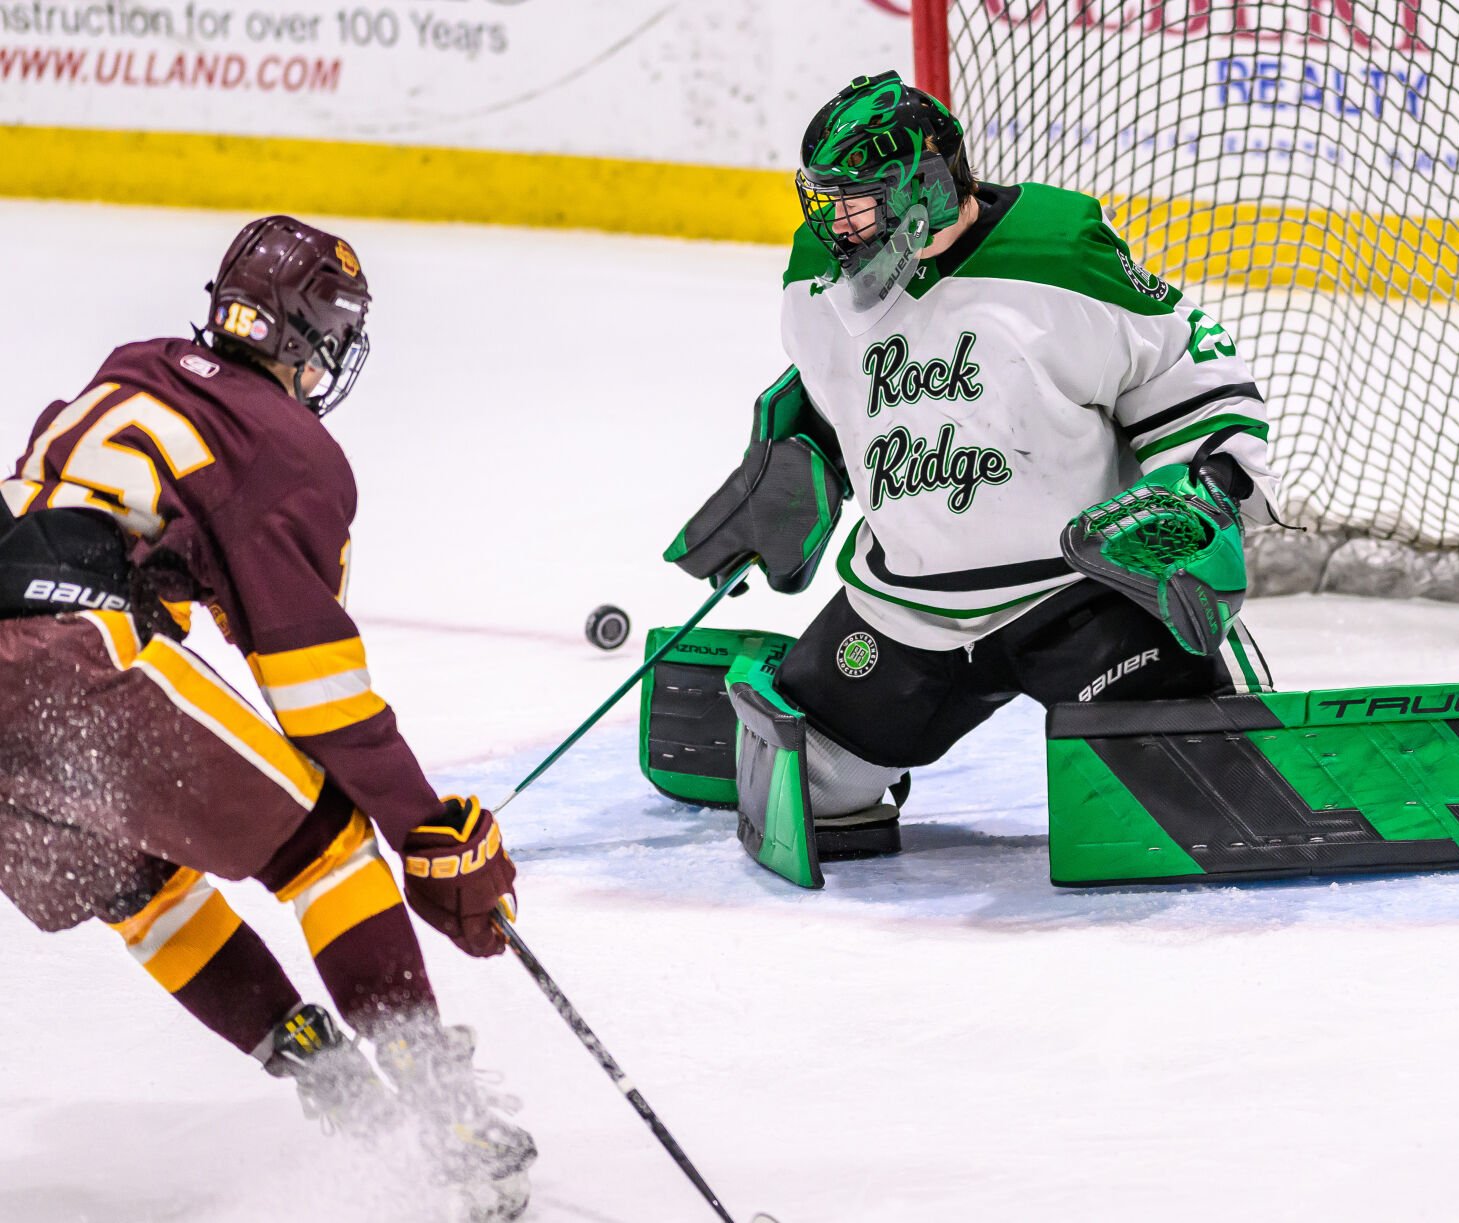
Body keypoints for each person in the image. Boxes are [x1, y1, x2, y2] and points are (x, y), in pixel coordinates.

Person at [0, 216, 534, 1219]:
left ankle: (319, 1066)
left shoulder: (139, 364)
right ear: (313, 336)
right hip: (75, 655)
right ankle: (443, 1108)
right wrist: (424, 827)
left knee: (134, 879)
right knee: (325, 846)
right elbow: (315, 689)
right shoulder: (289, 448)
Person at [667, 71, 1281, 861]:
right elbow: (839, 391)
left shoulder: (1058, 252)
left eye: (855, 199)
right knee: (813, 783)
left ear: (919, 185)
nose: (836, 222)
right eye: (827, 200)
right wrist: (801, 460)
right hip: (907, 605)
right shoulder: (817, 274)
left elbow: (1187, 371)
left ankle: (1195, 698)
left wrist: (1203, 490)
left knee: (1187, 790)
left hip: (1075, 596)